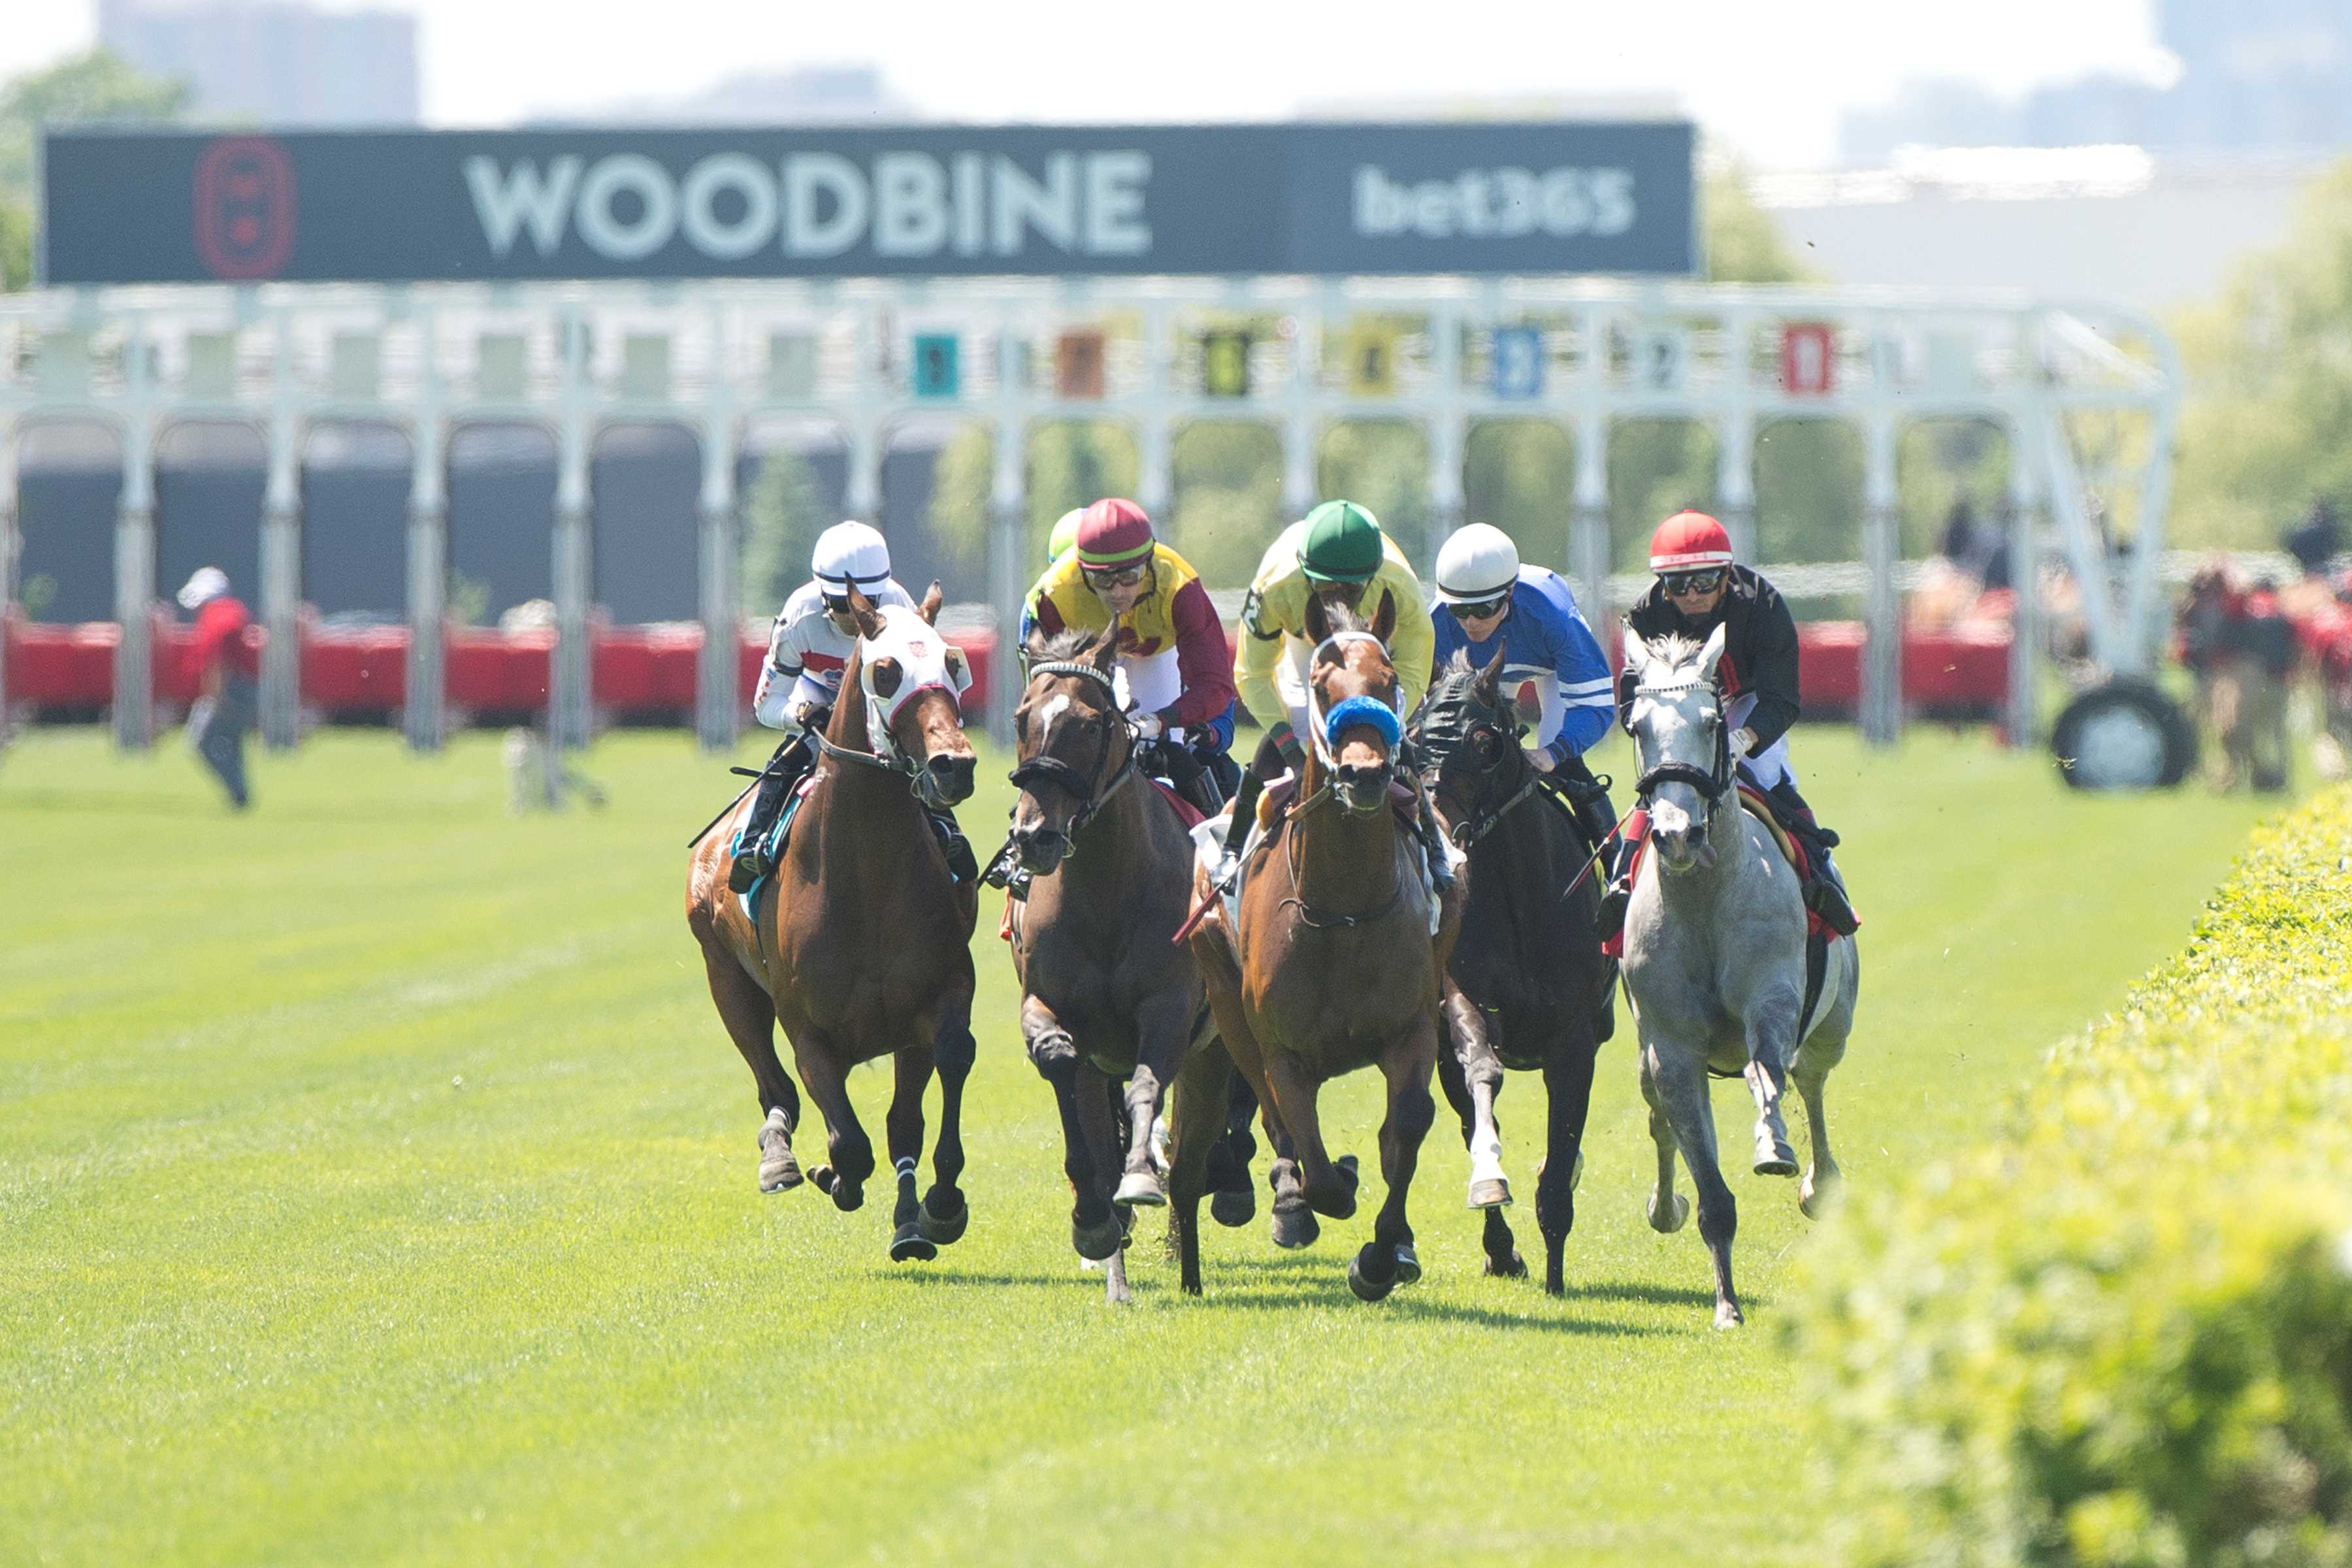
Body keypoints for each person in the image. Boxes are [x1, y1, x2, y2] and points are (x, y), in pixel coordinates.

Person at [1601, 510, 1857, 937]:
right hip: (1677, 710)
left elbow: (1782, 699)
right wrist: (1660, 740)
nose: (1693, 595)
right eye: (1679, 585)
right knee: (1663, 786)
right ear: (1663, 585)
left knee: (1765, 772)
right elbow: (1631, 696)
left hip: (1745, 702)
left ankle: (1819, 871)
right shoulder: (1646, 614)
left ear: (1726, 575)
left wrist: (1743, 739)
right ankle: (1621, 879)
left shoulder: (1763, 604)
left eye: (1704, 581)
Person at [728, 521, 972, 893]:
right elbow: (766, 704)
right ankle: (754, 843)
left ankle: (946, 829)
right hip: (819, 702)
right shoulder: (798, 617)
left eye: (868, 604)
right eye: (845, 605)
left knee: (915, 758)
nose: (857, 616)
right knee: (790, 759)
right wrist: (801, 715)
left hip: (878, 706)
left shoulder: (901, 607)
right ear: (822, 595)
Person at [1218, 498, 1440, 874]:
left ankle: (1434, 844)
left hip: (1370, 643)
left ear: (1372, 576)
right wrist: (1290, 747)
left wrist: (1386, 724)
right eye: (1324, 586)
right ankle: (1233, 848)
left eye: (1351, 588)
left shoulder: (1398, 585)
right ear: (1305, 572)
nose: (1337, 595)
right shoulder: (1276, 584)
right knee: (1298, 716)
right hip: (1307, 639)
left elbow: (1413, 671)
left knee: (1390, 735)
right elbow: (1251, 674)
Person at [1018, 497, 1239, 816]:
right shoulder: (1053, 594)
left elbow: (1215, 686)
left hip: (1155, 655)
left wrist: (1162, 721)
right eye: (1103, 579)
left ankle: (1210, 828)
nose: (1118, 591)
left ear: (1149, 562)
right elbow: (1041, 698)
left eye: (1130, 576)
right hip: (1087, 656)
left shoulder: (1180, 587)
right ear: (1082, 571)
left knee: (1160, 749)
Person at [1426, 523, 1619, 855]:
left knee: (1565, 761)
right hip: (1484, 675)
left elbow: (1597, 706)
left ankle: (1616, 866)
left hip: (1550, 667)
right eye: (1459, 609)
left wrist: (1553, 753)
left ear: (1509, 593)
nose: (1470, 622)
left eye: (1483, 609)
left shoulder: (1554, 616)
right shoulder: (1437, 624)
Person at [178, 566, 257, 809]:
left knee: (201, 741)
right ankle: (240, 794)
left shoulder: (216, 618)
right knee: (232, 742)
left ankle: (238, 793)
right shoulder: (231, 613)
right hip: (246, 686)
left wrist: (217, 697)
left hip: (231, 688)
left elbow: (217, 662)